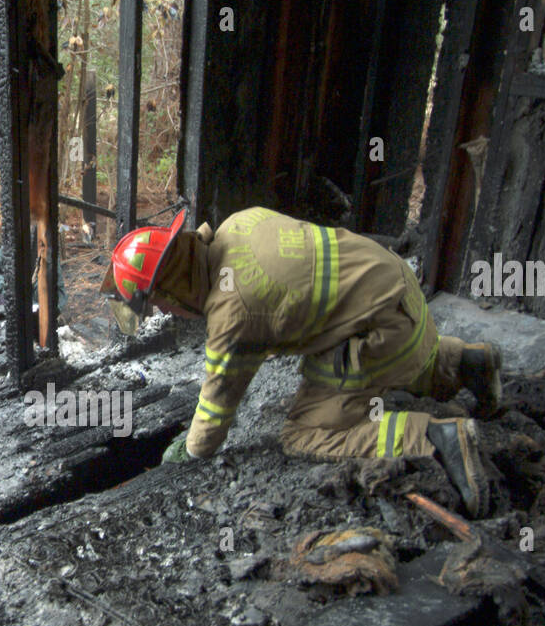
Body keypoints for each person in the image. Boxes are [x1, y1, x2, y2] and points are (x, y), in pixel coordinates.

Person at [101, 206, 503, 517]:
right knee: (404, 361)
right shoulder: (241, 222)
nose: (166, 312)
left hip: (382, 333)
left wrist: (190, 451)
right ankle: (464, 362)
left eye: (159, 304)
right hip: (400, 292)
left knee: (305, 433)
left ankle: (436, 438)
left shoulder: (234, 313)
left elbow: (217, 404)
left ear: (171, 290)